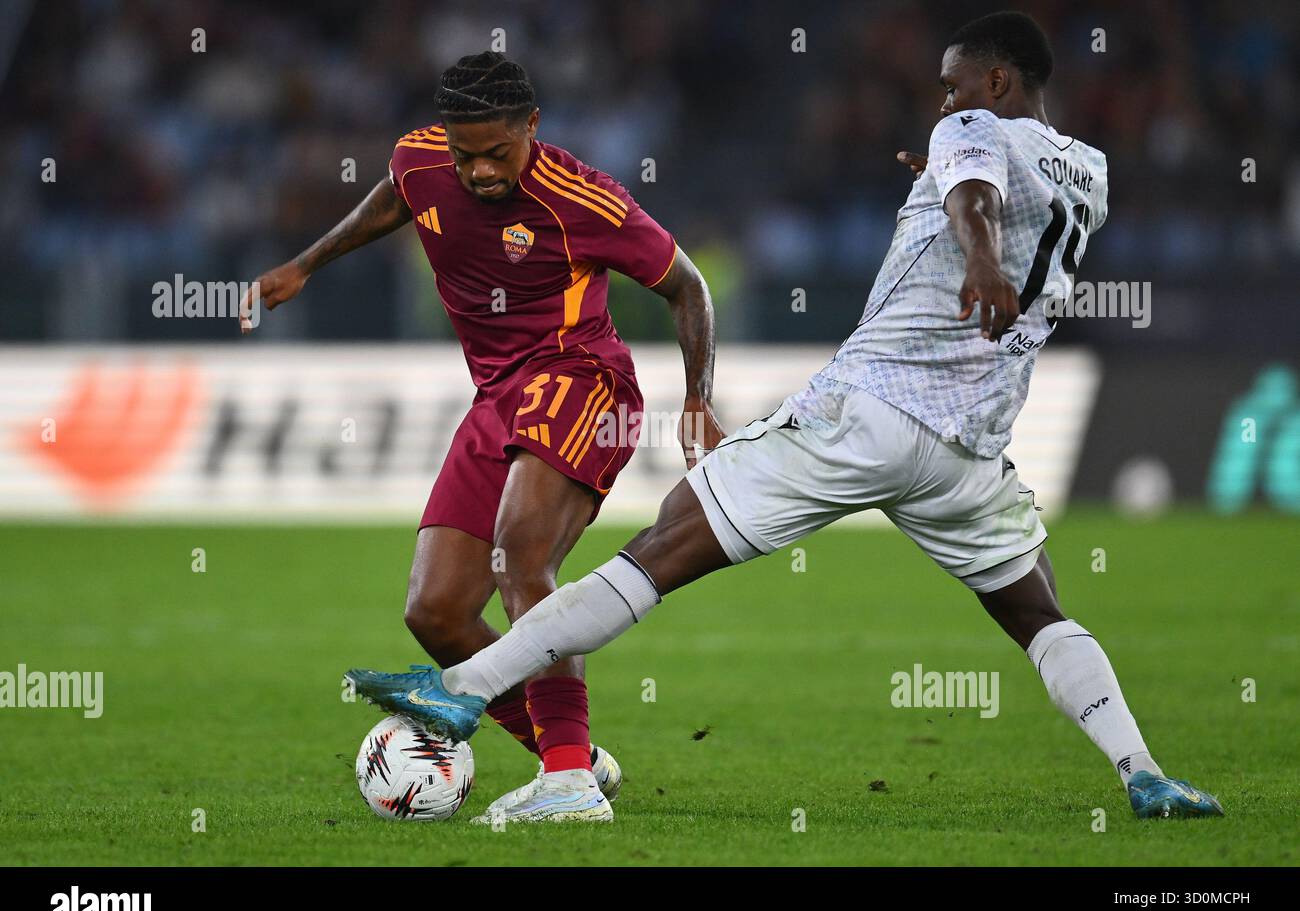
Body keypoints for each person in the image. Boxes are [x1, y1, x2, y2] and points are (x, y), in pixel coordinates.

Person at [347, 14, 1222, 821]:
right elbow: (1003, 200)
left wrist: (977, 247)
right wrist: (948, 199)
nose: (944, 104)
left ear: (997, 82)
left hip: (870, 413)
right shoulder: (1090, 173)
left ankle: (466, 694)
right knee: (1040, 616)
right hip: (971, 451)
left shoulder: (968, 134)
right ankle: (1142, 771)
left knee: (657, 553)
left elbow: (979, 204)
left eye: (954, 87)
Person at [244, 52, 723, 823]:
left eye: (497, 153)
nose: (479, 172)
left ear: (532, 127)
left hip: (583, 379)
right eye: (465, 154)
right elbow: (393, 199)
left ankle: (568, 788)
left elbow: (687, 286)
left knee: (523, 557)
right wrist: (306, 264)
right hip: (497, 396)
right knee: (435, 611)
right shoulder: (420, 160)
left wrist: (698, 397)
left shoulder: (585, 200)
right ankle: (570, 759)